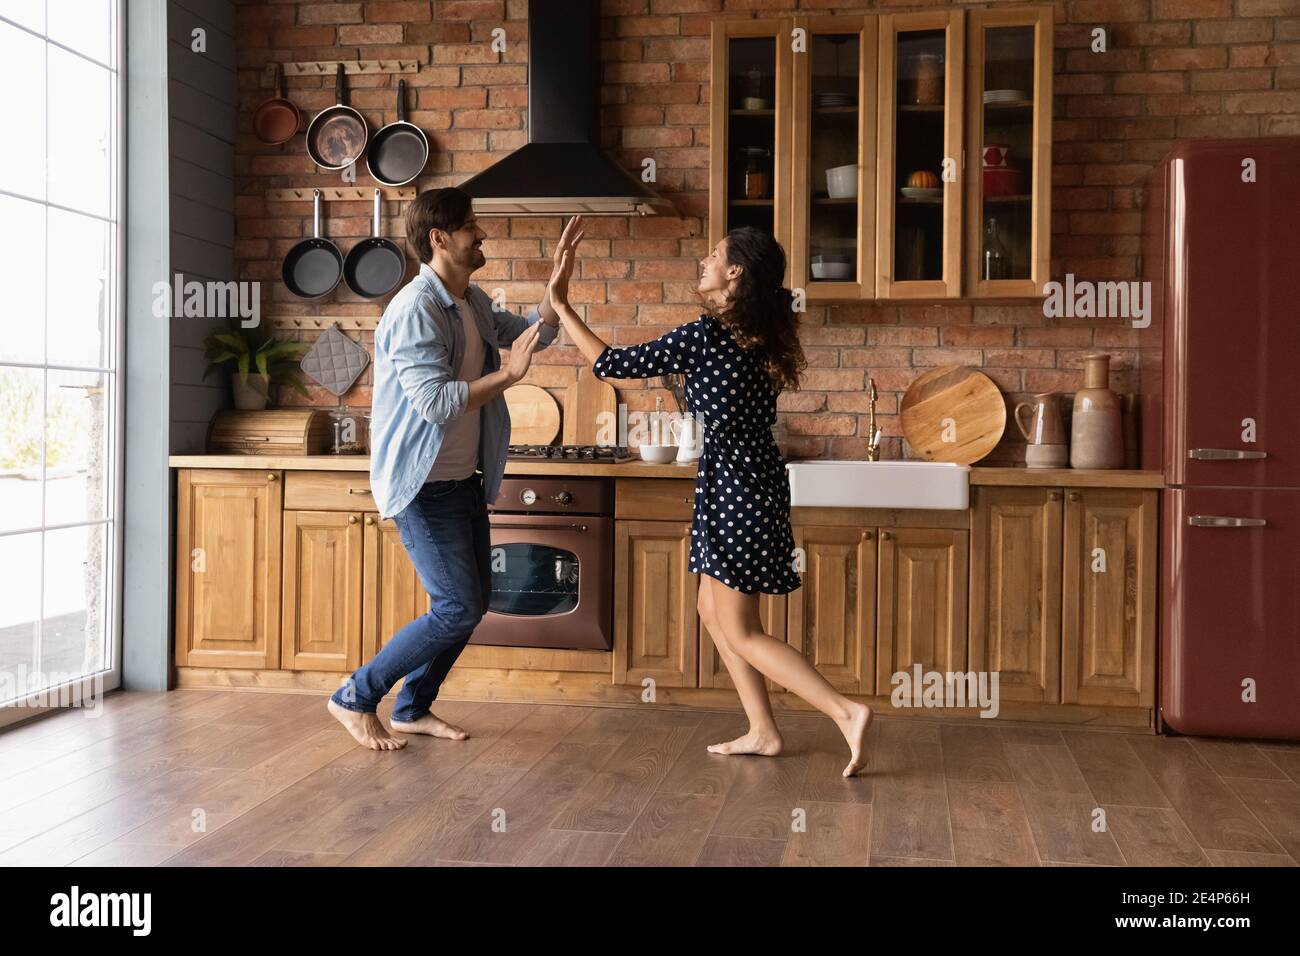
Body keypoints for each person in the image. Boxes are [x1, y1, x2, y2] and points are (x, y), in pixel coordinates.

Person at [554, 220, 874, 776]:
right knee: (711, 609)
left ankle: (845, 712)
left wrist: (560, 303)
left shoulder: (707, 336)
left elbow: (611, 365)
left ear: (735, 272)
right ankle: (763, 730)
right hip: (747, 483)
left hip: (734, 488)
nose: (703, 259)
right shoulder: (759, 336)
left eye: (715, 254)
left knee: (742, 629)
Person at [327, 188, 584, 751]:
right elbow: (438, 402)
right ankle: (354, 694)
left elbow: (524, 332)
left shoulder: (469, 301)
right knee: (458, 606)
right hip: (421, 486)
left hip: (463, 480)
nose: (481, 234)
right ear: (439, 238)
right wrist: (511, 378)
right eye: (471, 227)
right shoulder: (415, 308)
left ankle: (413, 708)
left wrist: (555, 291)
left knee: (467, 606)